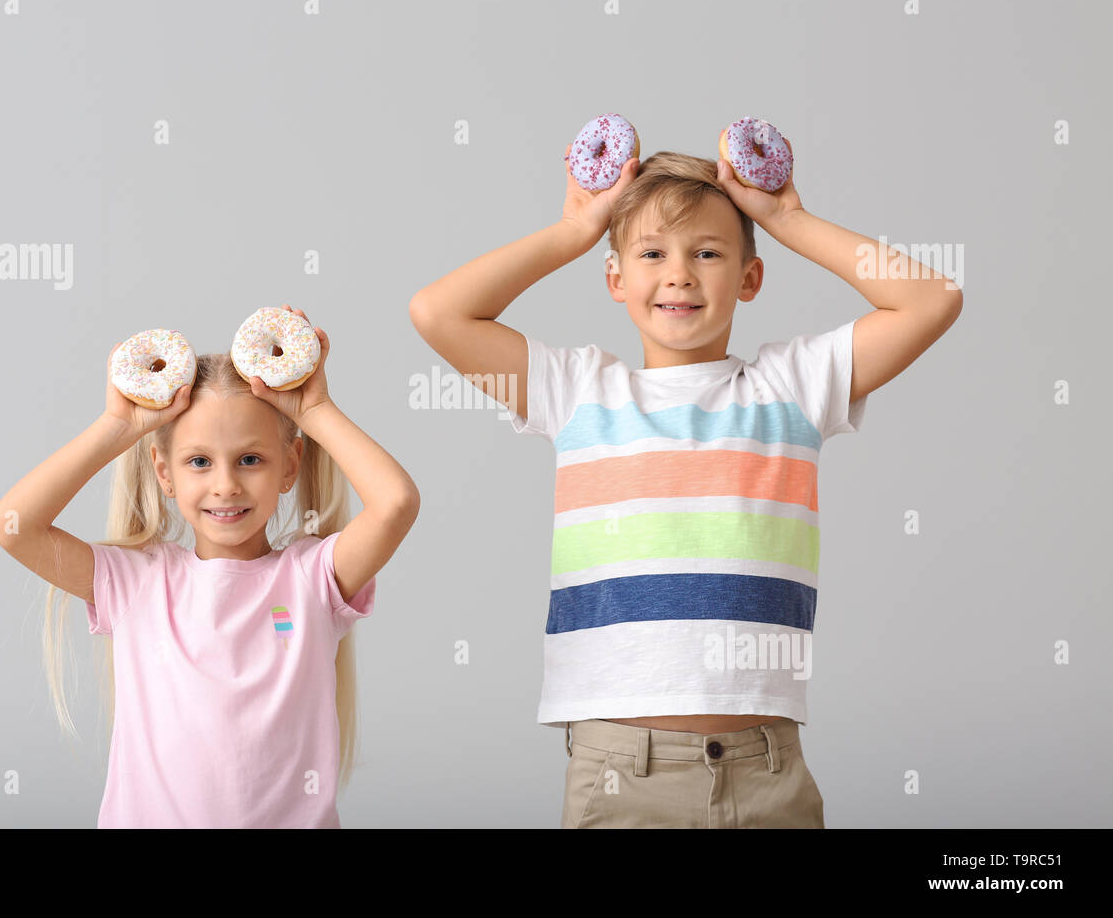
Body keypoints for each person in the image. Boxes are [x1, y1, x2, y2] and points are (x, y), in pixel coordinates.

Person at [409, 142, 962, 827]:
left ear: (749, 276)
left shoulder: (790, 389)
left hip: (768, 771)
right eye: (651, 254)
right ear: (614, 278)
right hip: (620, 772)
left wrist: (788, 218)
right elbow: (439, 312)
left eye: (707, 253)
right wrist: (576, 230)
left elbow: (931, 301)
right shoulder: (577, 393)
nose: (680, 275)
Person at [0, 305, 419, 827]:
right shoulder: (137, 583)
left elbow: (396, 503)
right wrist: (117, 425)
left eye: (250, 459)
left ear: (290, 466)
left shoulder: (313, 580)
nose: (226, 485)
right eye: (199, 462)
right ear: (163, 473)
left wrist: (315, 408)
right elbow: (12, 526)